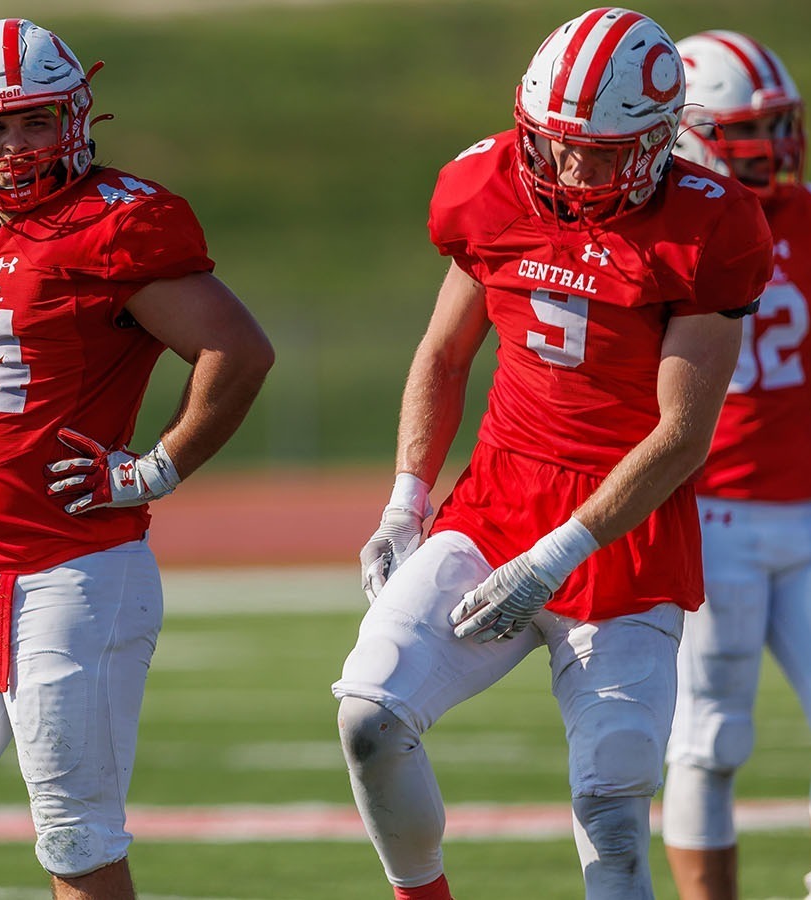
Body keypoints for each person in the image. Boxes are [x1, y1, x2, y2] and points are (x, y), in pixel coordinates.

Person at [331, 9, 773, 900]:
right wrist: (405, 502)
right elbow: (444, 354)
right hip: (495, 505)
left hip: (622, 536)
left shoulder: (708, 227)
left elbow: (682, 434)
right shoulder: (487, 185)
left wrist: (561, 554)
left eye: (603, 152)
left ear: (657, 142)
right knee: (369, 718)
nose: (574, 168)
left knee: (611, 809)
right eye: (557, 143)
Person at [0, 18, 273, 900]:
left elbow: (238, 351)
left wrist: (156, 467)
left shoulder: (119, 224)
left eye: (35, 121)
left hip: (77, 577)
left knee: (78, 844)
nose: (14, 145)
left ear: (75, 117)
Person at [659, 30, 811, 900]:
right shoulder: (666, 225)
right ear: (691, 135)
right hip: (710, 513)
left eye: (780, 128)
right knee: (710, 737)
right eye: (749, 134)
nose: (778, 150)